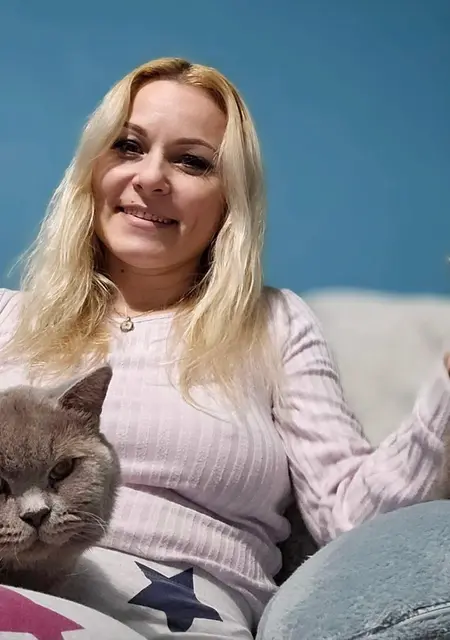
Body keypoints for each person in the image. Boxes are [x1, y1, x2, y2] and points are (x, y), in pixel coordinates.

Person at [1, 56, 450, 639]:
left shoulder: (274, 324)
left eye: (191, 161)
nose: (152, 178)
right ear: (92, 169)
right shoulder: (7, 315)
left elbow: (354, 521)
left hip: (176, 617)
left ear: (229, 201)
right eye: (128, 147)